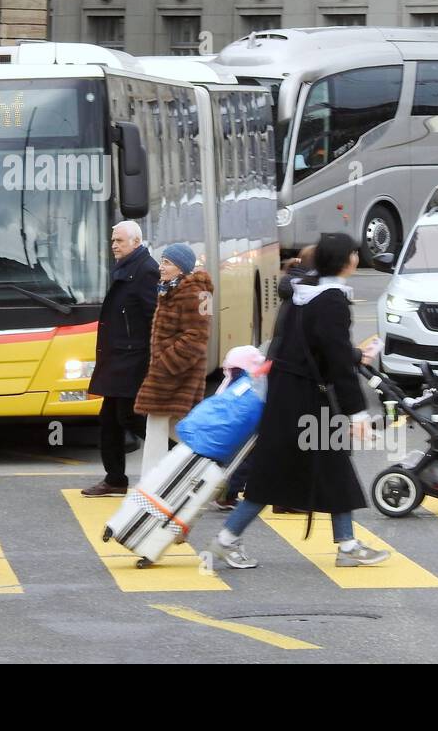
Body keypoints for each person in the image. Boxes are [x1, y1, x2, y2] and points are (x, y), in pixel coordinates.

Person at [209, 232, 390, 570]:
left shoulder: (302, 292)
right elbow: (335, 361)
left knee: (310, 471)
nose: (356, 258)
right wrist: (357, 413)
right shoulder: (332, 299)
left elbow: (301, 345)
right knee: (294, 473)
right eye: (354, 254)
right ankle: (227, 539)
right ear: (346, 261)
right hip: (307, 400)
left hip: (287, 395)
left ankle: (345, 544)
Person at [217, 245, 317, 511]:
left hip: (278, 368)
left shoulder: (293, 289)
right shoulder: (308, 294)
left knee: (271, 438)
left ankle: (237, 488)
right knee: (281, 439)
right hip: (290, 373)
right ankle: (253, 492)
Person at [81, 221, 159, 497]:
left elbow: (154, 319)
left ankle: (182, 460)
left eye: (120, 241)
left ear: (136, 242)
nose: (114, 245)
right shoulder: (128, 267)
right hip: (118, 359)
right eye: (113, 240)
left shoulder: (146, 271)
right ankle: (115, 479)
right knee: (111, 419)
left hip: (133, 360)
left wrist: (151, 362)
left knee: (131, 418)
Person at [133, 243, 213, 477]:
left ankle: (150, 481)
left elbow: (197, 338)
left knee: (156, 425)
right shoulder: (172, 289)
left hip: (176, 373)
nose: (161, 267)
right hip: (173, 372)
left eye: (167, 263)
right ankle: (208, 467)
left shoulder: (196, 293)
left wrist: (165, 364)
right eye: (162, 261)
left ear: (181, 267)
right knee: (177, 428)